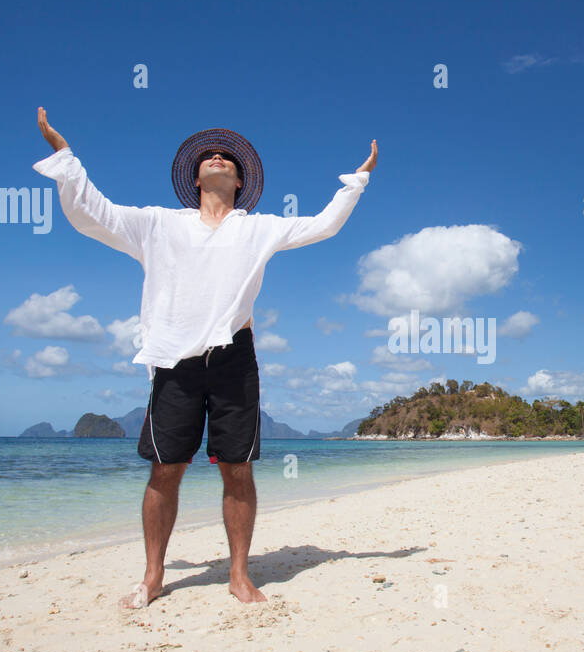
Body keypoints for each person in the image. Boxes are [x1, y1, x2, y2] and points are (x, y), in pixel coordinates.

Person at [33, 107, 377, 608]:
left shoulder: (257, 229)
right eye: (209, 157)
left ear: (239, 181)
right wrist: (65, 156)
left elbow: (323, 225)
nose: (217, 159)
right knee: (164, 469)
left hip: (235, 358)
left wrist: (357, 181)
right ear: (196, 177)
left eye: (227, 159)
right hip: (174, 360)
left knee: (237, 468)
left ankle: (239, 575)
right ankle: (153, 576)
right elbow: (93, 214)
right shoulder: (155, 224)